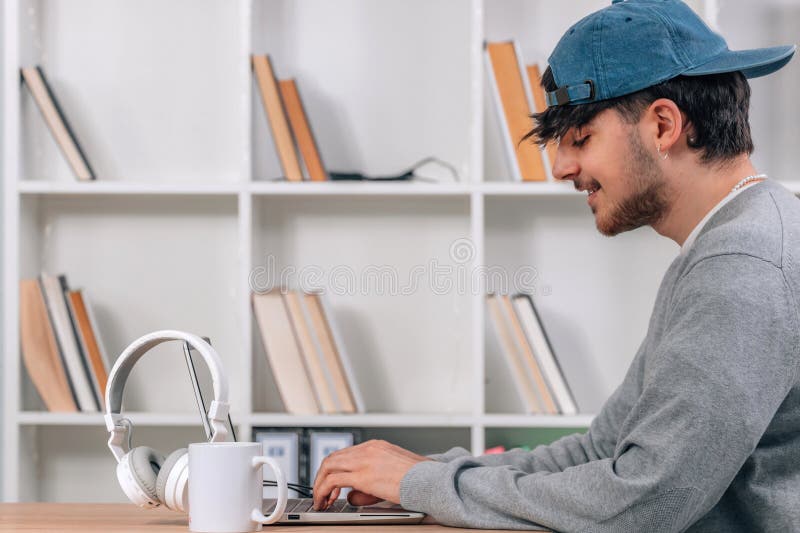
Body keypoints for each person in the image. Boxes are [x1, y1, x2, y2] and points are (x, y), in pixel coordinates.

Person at [311, 1, 800, 531]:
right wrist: (422, 474)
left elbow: (645, 501)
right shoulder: (723, 246)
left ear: (663, 125)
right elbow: (601, 452)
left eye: (581, 138)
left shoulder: (741, 265)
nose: (561, 167)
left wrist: (422, 484)